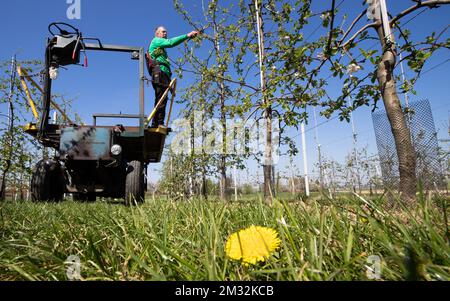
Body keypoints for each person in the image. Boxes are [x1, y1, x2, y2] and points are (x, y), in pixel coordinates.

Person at [149, 26, 200, 127]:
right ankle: (158, 123)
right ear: (157, 34)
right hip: (159, 72)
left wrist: (170, 86)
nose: (165, 34)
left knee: (163, 98)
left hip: (164, 74)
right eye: (163, 32)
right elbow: (171, 43)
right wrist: (187, 35)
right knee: (161, 98)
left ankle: (158, 122)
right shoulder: (156, 41)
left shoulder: (161, 49)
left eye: (166, 32)